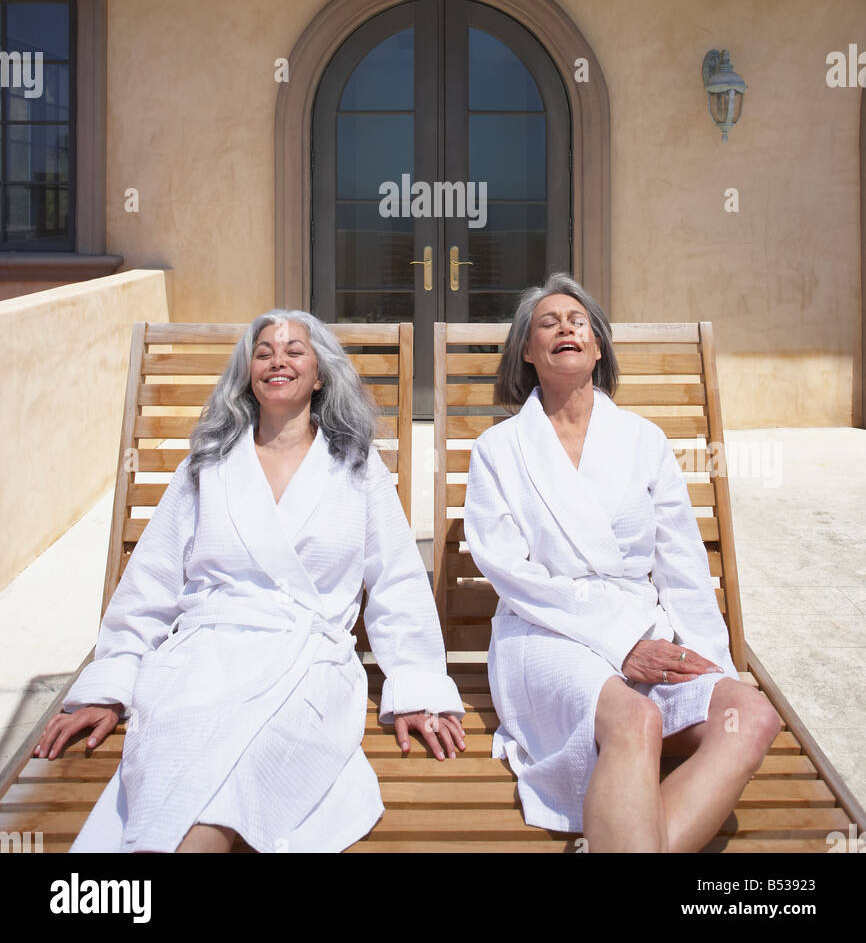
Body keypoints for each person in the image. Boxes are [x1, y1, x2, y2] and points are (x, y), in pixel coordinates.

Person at [35, 309, 464, 853]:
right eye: (263, 352)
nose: (277, 360)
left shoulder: (357, 467)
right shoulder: (208, 464)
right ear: (247, 373)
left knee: (246, 767)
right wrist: (113, 682)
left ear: (321, 373)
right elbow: (152, 580)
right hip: (201, 663)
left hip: (306, 666)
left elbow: (397, 583)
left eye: (294, 351)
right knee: (180, 750)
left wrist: (415, 688)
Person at [462, 272, 780, 852]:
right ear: (527, 352)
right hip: (545, 634)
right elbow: (506, 568)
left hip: (645, 627)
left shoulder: (643, 440)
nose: (565, 327)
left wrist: (714, 664)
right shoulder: (499, 450)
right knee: (637, 720)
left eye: (577, 320)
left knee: (751, 717)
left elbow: (682, 565)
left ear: (597, 345)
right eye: (547, 322)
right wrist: (618, 640)